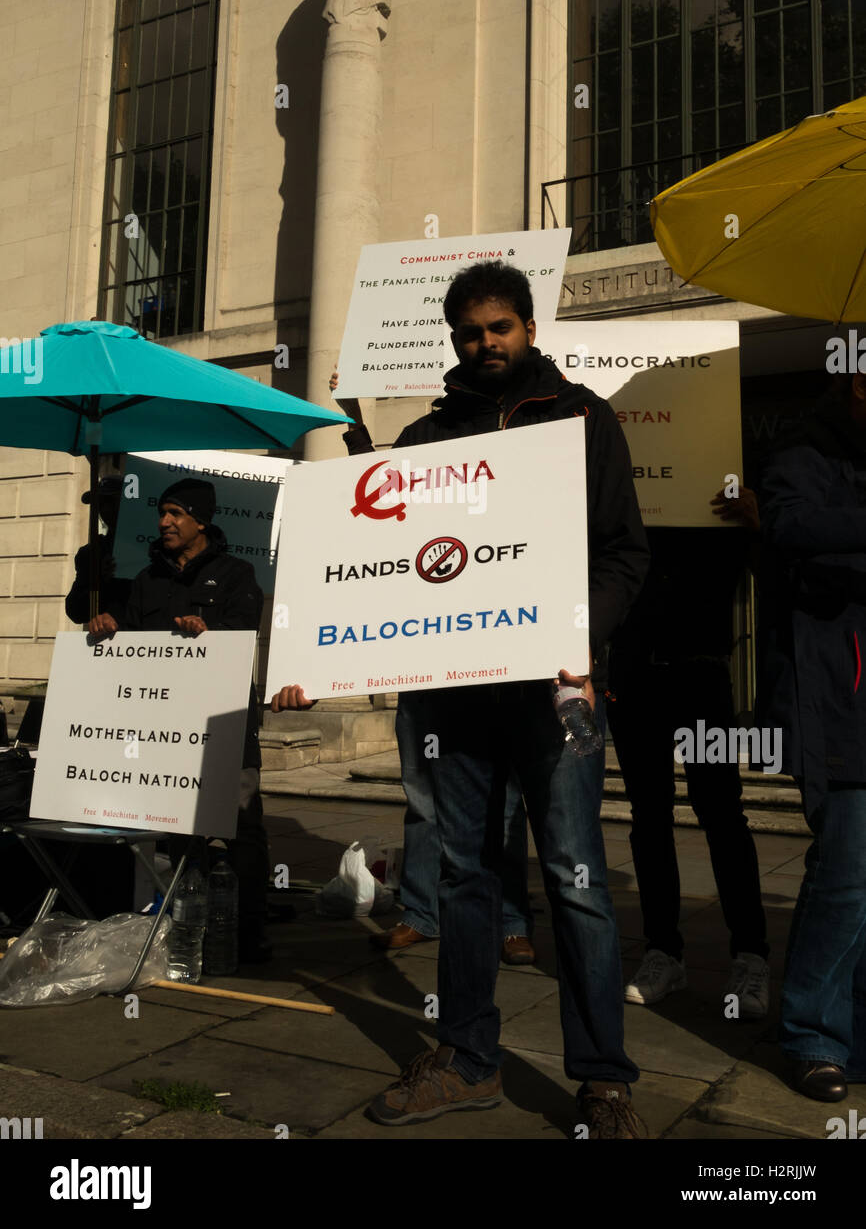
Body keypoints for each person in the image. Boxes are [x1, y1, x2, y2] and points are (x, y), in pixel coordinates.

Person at [273, 260, 650, 1135]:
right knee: (464, 875)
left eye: (500, 328)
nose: (485, 344)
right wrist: (316, 660)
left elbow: (626, 554)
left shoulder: (584, 420)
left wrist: (578, 638)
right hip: (456, 700)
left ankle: (603, 1080)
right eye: (470, 333)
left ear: (527, 327)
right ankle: (471, 1058)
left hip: (557, 694)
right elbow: (378, 562)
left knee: (575, 879)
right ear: (453, 340)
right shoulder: (430, 436)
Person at [329, 370, 536, 965]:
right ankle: (423, 911)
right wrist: (354, 418)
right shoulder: (424, 436)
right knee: (422, 795)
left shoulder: (517, 443)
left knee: (504, 801)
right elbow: (370, 488)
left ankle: (510, 919)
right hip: (425, 658)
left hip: (497, 655)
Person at [89, 478, 272, 963]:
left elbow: (243, 633)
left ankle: (248, 937)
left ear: (201, 521)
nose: (164, 522)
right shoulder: (147, 578)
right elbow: (128, 637)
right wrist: (107, 623)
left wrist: (209, 635)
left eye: (175, 513)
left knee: (239, 826)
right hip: (163, 728)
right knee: (172, 828)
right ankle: (177, 930)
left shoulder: (238, 573)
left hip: (225, 725)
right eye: (162, 513)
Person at [606, 489, 770, 1016]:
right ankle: (662, 951)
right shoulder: (624, 494)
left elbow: (769, 577)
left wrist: (755, 526)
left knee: (722, 812)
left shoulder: (717, 492)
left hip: (702, 673)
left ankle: (751, 954)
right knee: (649, 815)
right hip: (635, 678)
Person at [757, 374, 866, 1102]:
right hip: (842, 700)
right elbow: (789, 529)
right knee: (847, 876)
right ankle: (812, 1036)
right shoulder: (801, 451)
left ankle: (850, 1036)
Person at [65, 475, 132, 625]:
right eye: (100, 504)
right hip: (103, 642)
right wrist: (99, 580)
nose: (104, 509)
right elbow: (75, 611)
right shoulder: (91, 553)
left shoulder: (153, 550)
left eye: (110, 502)